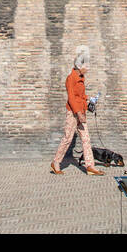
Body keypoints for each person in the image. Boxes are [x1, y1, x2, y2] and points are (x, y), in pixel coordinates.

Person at [49, 47, 103, 176]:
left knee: (86, 138)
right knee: (67, 138)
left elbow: (80, 96)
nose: (88, 67)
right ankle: (56, 162)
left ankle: (90, 166)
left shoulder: (81, 78)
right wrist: (78, 113)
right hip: (73, 113)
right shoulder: (71, 79)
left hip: (81, 111)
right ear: (80, 66)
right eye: (86, 65)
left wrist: (88, 99)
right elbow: (72, 98)